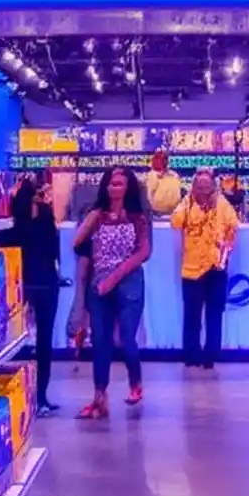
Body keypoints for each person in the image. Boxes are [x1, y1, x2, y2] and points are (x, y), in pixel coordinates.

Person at [73, 166, 150, 418]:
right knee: (101, 340)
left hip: (128, 282)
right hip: (100, 282)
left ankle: (135, 384)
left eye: (119, 183)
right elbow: (76, 243)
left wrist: (115, 277)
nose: (113, 187)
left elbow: (143, 253)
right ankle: (99, 397)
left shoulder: (138, 217)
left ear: (128, 187)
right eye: (110, 183)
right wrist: (92, 218)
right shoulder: (98, 215)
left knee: (127, 336)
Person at [171, 167, 239, 370]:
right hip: (192, 269)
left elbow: (234, 224)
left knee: (214, 313)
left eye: (206, 186)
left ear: (213, 186)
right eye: (199, 186)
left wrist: (225, 245)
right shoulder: (187, 202)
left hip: (216, 267)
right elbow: (175, 222)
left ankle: (211, 355)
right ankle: (191, 355)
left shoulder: (222, 204)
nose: (203, 189)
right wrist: (190, 203)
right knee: (191, 314)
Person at [9, 173, 61, 415]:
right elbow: (54, 251)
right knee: (44, 342)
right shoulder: (46, 217)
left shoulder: (14, 224)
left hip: (25, 283)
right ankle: (40, 397)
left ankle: (25, 397)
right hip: (46, 283)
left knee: (17, 341)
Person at [143, 148, 183, 215]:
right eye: (158, 158)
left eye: (164, 159)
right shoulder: (151, 176)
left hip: (174, 213)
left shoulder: (174, 175)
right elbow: (148, 195)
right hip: (156, 214)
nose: (162, 161)